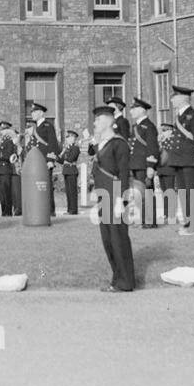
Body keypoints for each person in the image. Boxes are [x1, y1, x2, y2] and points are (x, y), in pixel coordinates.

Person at [91, 105, 135, 293]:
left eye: (99, 120)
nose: (95, 123)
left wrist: (122, 200)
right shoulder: (101, 143)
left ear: (109, 121)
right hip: (103, 196)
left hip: (115, 196)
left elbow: (124, 174)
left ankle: (126, 282)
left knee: (119, 240)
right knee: (108, 241)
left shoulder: (119, 143)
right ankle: (116, 279)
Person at [169, 85, 194, 235]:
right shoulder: (179, 116)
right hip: (179, 160)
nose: (171, 100)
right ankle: (188, 222)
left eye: (174, 97)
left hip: (189, 160)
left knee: (192, 192)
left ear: (182, 98)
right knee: (183, 193)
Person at [128, 98, 161, 229]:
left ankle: (149, 221)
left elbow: (153, 147)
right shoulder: (136, 126)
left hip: (144, 165)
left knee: (147, 193)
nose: (131, 111)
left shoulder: (149, 126)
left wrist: (151, 166)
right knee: (138, 194)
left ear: (141, 110)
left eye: (134, 108)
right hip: (135, 164)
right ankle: (143, 219)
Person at [26, 103, 61, 217]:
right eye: (32, 112)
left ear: (41, 113)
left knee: (47, 186)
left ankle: (50, 210)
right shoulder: (36, 127)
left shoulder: (47, 125)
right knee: (38, 186)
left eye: (35, 112)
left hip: (45, 161)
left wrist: (51, 160)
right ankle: (40, 209)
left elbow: (53, 144)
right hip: (36, 162)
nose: (32, 114)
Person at [0, 121, 18, 216]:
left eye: (4, 130)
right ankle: (3, 211)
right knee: (1, 194)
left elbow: (8, 155)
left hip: (6, 169)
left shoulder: (9, 142)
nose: (1, 132)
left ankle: (8, 212)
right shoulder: (0, 143)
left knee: (6, 192)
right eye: (1, 130)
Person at [60, 129, 82, 216]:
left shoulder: (75, 148)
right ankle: (69, 209)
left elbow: (70, 159)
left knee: (72, 192)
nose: (67, 139)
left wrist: (64, 157)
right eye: (67, 137)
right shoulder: (67, 148)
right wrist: (57, 157)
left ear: (73, 138)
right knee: (68, 192)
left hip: (72, 170)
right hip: (66, 171)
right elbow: (61, 160)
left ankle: (74, 210)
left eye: (69, 137)